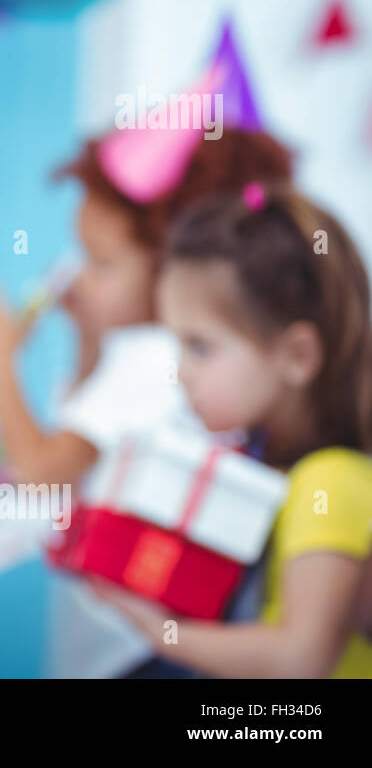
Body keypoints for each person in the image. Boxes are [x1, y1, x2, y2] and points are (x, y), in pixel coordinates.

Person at [0, 127, 293, 677]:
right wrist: (87, 339)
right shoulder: (164, 355)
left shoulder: (152, 357)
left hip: (137, 651)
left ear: (170, 265)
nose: (80, 278)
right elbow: (85, 442)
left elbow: (45, 473)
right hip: (148, 641)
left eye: (101, 263)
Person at [95, 185, 372, 678]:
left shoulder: (327, 482)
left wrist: (165, 634)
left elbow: (301, 659)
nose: (181, 373)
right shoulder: (273, 464)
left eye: (200, 347)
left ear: (298, 356)